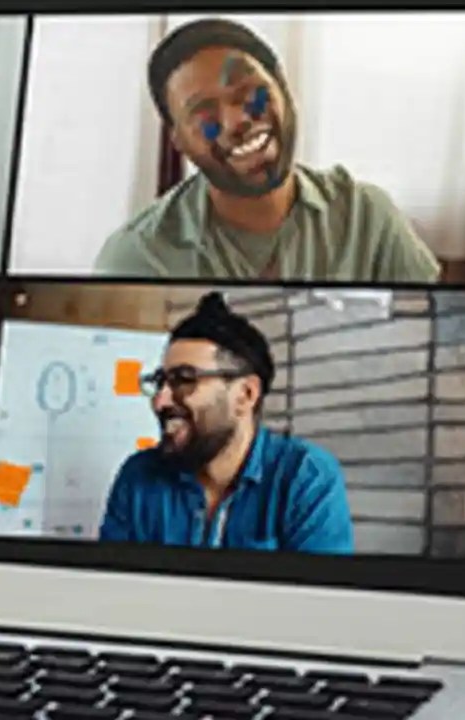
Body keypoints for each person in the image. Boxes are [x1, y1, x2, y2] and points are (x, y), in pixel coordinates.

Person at [94, 18, 441, 283]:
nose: (235, 121)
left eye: (249, 92)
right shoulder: (138, 257)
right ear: (179, 141)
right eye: (204, 113)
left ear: (284, 88)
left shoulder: (366, 216)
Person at [98, 292, 354, 553]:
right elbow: (112, 587)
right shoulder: (139, 477)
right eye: (160, 382)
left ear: (245, 395)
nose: (159, 401)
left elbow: (315, 593)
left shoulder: (305, 477)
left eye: (184, 379)